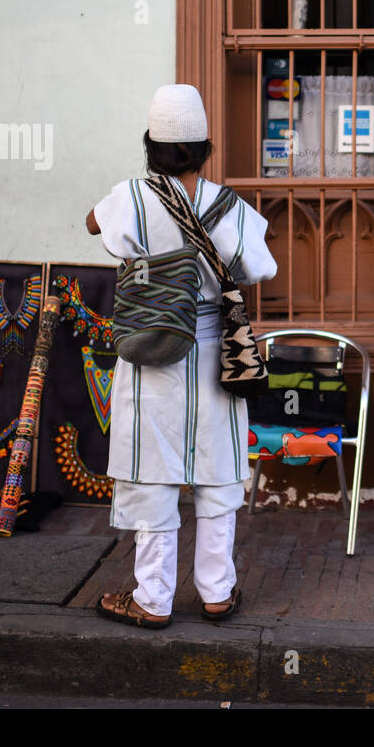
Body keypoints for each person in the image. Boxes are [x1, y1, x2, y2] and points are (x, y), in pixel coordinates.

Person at [85, 84, 277, 627]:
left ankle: (152, 598)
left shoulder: (131, 197)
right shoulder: (231, 207)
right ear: (205, 148)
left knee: (153, 472)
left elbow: (93, 224)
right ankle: (217, 593)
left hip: (153, 349)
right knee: (217, 471)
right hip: (217, 351)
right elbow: (261, 266)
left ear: (151, 146)